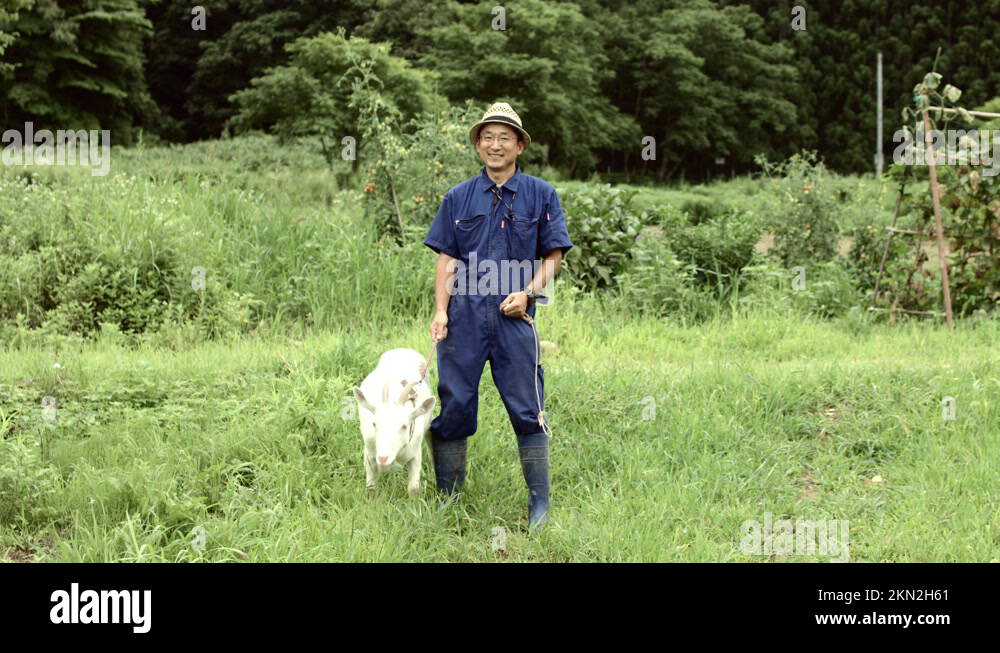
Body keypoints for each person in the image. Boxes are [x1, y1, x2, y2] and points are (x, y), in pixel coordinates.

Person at [423, 102, 573, 530]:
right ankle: (449, 498)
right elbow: (447, 258)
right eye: (487, 137)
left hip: (514, 315)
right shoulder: (458, 197)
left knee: (527, 407)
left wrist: (528, 293)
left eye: (504, 137)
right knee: (454, 405)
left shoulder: (541, 194)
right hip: (464, 315)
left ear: (519, 145)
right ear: (477, 144)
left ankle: (539, 504)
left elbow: (554, 254)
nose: (495, 144)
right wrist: (440, 311)